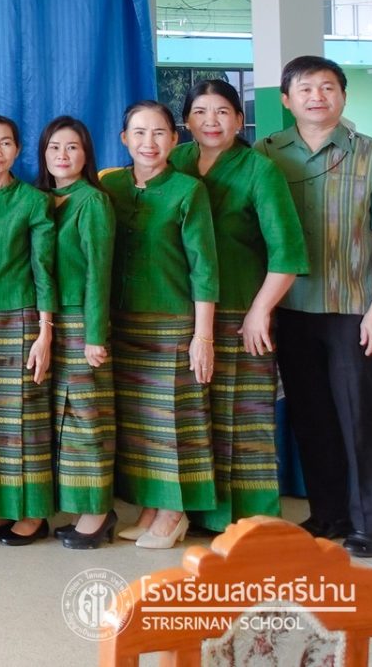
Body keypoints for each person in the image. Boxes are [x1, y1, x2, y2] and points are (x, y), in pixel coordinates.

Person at [255, 55, 372, 559]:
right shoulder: (267, 153)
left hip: (353, 308)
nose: (316, 96)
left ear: (341, 94)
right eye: (304, 88)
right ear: (285, 100)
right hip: (290, 309)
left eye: (327, 87)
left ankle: (370, 519)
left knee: (360, 416)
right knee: (311, 416)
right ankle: (329, 513)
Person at [171, 79, 306, 536]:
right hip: (183, 314)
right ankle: (199, 513)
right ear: (185, 121)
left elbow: (286, 253)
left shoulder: (258, 170)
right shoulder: (174, 162)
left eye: (223, 112)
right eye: (201, 112)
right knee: (192, 417)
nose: (212, 121)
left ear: (238, 118)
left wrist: (259, 311)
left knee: (245, 417)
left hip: (241, 313)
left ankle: (252, 520)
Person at [104, 99, 219, 550]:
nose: (148, 142)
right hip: (122, 321)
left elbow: (204, 267)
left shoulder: (189, 190)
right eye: (139, 133)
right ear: (124, 139)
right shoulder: (110, 187)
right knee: (139, 423)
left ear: (175, 140)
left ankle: (174, 513)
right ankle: (151, 504)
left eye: (158, 133)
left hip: (172, 322)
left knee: (172, 420)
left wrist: (202, 335)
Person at [0, 115, 57, 545]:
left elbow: (44, 269)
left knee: (25, 419)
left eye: (5, 143)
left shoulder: (33, 201)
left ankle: (33, 513)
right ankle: (2, 509)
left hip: (21, 319)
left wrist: (45, 330)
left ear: (18, 151)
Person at [36, 117, 118, 549]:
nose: (62, 156)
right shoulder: (44, 199)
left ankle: (98, 512)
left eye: (72, 147)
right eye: (54, 148)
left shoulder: (92, 201)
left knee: (86, 418)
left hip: (81, 322)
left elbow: (98, 273)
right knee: (60, 422)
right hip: (48, 321)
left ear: (86, 154)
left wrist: (94, 335)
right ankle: (82, 505)